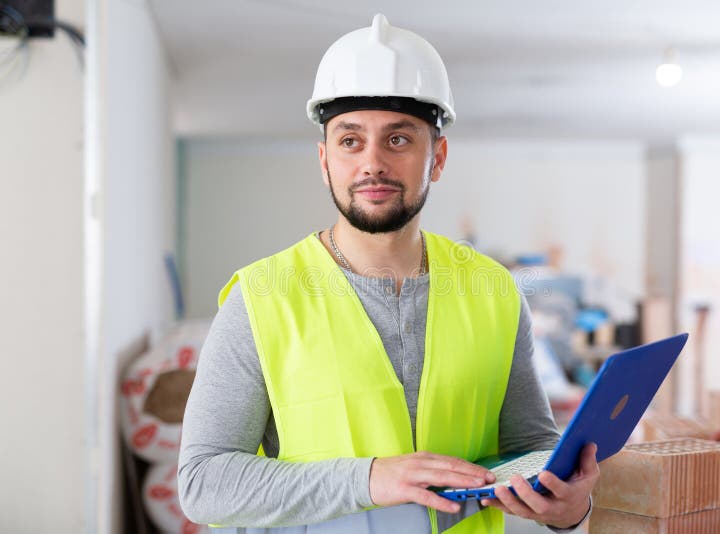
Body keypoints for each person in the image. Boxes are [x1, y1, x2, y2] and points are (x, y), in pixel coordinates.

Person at [178, 14, 598, 534]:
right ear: (325, 160)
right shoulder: (261, 299)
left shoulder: (492, 290)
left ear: (437, 157)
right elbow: (204, 485)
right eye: (350, 141)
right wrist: (369, 479)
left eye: (398, 140)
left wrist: (570, 506)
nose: (372, 162)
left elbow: (530, 449)